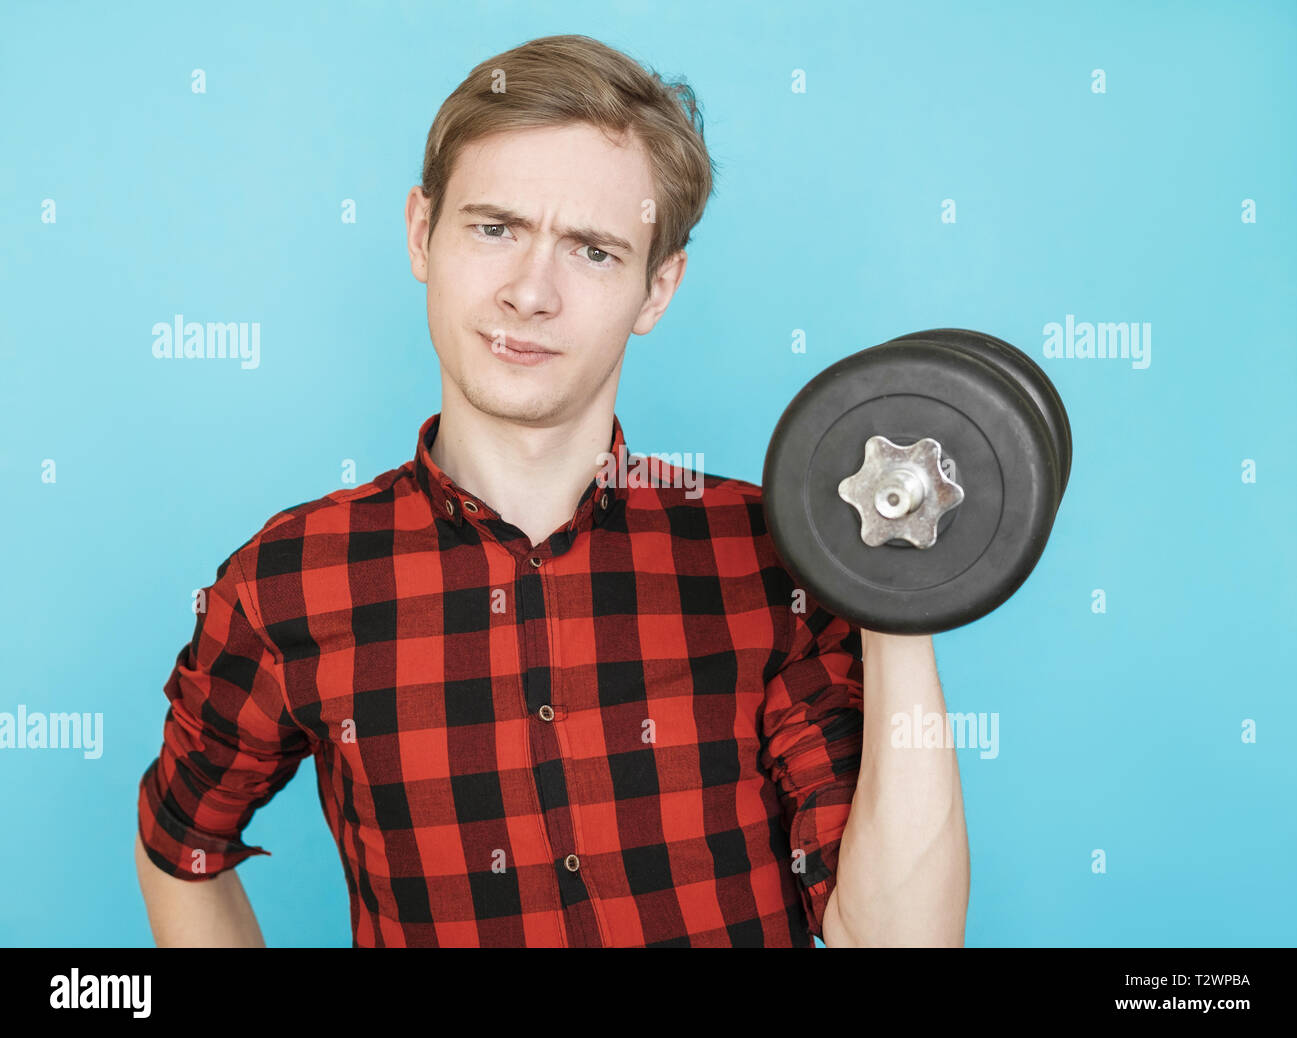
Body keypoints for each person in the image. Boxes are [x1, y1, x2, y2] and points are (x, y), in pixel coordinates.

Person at [135, 33, 969, 948]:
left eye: (594, 251)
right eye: (494, 229)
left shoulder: (773, 553)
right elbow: (182, 847)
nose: (530, 293)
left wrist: (896, 594)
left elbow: (895, 942)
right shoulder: (287, 580)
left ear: (658, 289)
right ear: (422, 233)